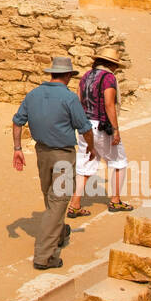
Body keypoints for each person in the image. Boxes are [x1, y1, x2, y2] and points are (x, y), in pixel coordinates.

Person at [12, 57, 98, 270]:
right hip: (63, 156)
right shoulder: (69, 98)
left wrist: (17, 149)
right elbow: (84, 126)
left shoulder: (33, 94)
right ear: (68, 76)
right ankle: (45, 256)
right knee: (58, 201)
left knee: (50, 196)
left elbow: (17, 121)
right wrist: (91, 147)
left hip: (42, 153)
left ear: (52, 73)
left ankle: (59, 233)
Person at [68, 45, 132, 216]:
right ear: (112, 65)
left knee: (86, 164)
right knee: (118, 162)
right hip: (102, 126)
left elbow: (78, 99)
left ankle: (75, 203)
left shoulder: (86, 76)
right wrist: (116, 129)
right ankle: (116, 200)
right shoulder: (109, 78)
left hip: (85, 126)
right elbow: (109, 103)